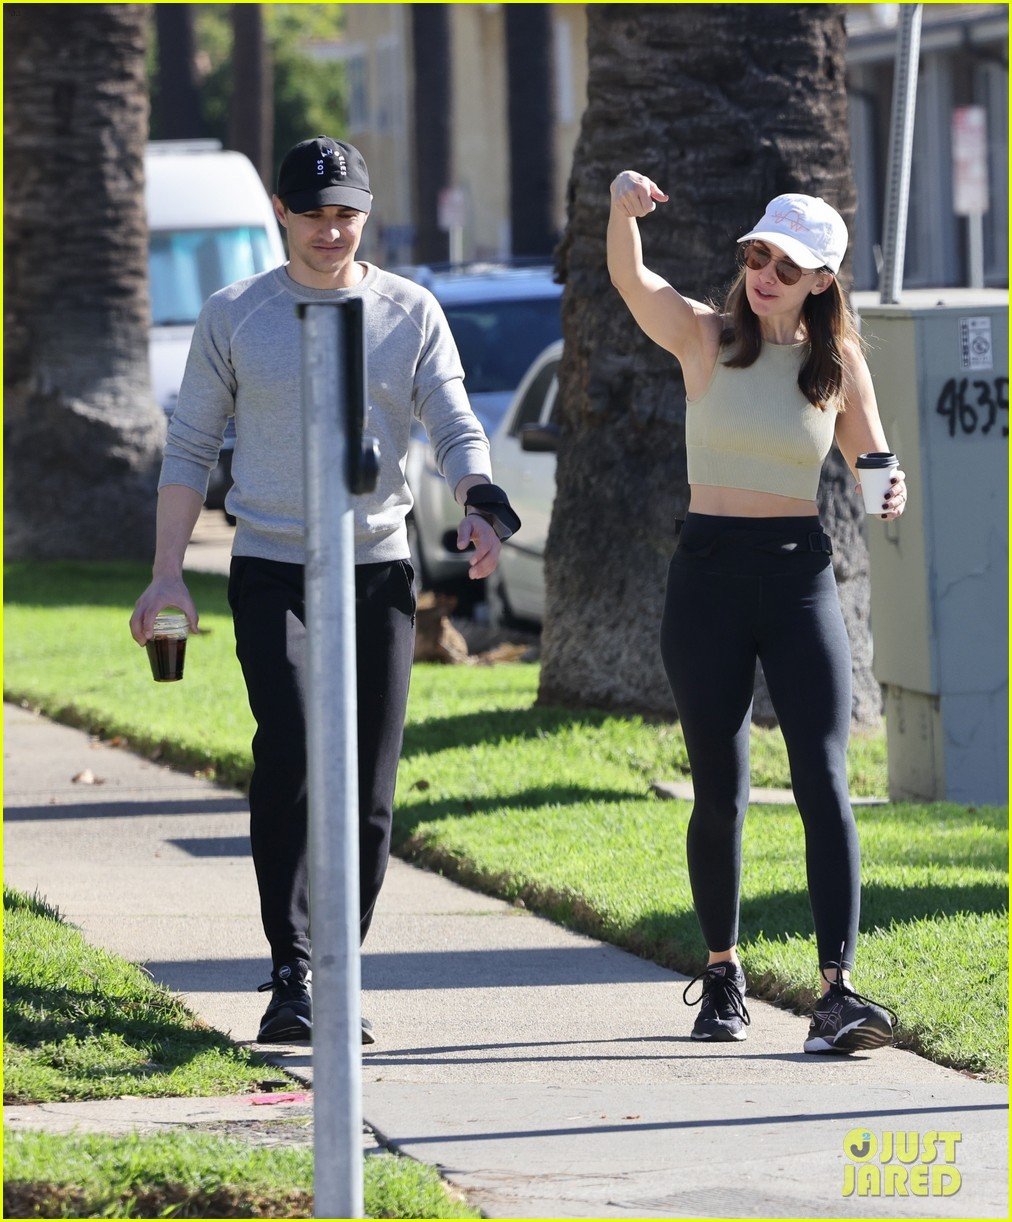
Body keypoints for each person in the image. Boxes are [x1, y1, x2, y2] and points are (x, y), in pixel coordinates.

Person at [130, 136, 518, 1045]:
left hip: (379, 565)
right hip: (272, 566)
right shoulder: (236, 315)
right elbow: (189, 449)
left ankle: (341, 968)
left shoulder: (409, 310)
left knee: (372, 788)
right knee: (297, 748)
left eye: (346, 214)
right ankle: (293, 968)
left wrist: (480, 493)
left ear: (364, 214)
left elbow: (452, 415)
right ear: (281, 212)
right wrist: (164, 571)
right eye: (314, 214)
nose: (331, 231)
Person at [608, 174, 906, 1054]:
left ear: (822, 279)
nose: (764, 271)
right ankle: (724, 975)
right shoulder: (708, 337)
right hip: (707, 577)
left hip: (799, 576)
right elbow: (634, 285)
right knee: (721, 787)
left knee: (823, 777)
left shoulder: (837, 365)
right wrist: (620, 212)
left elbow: (873, 458)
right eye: (756, 253)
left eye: (787, 263)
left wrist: (891, 490)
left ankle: (838, 992)